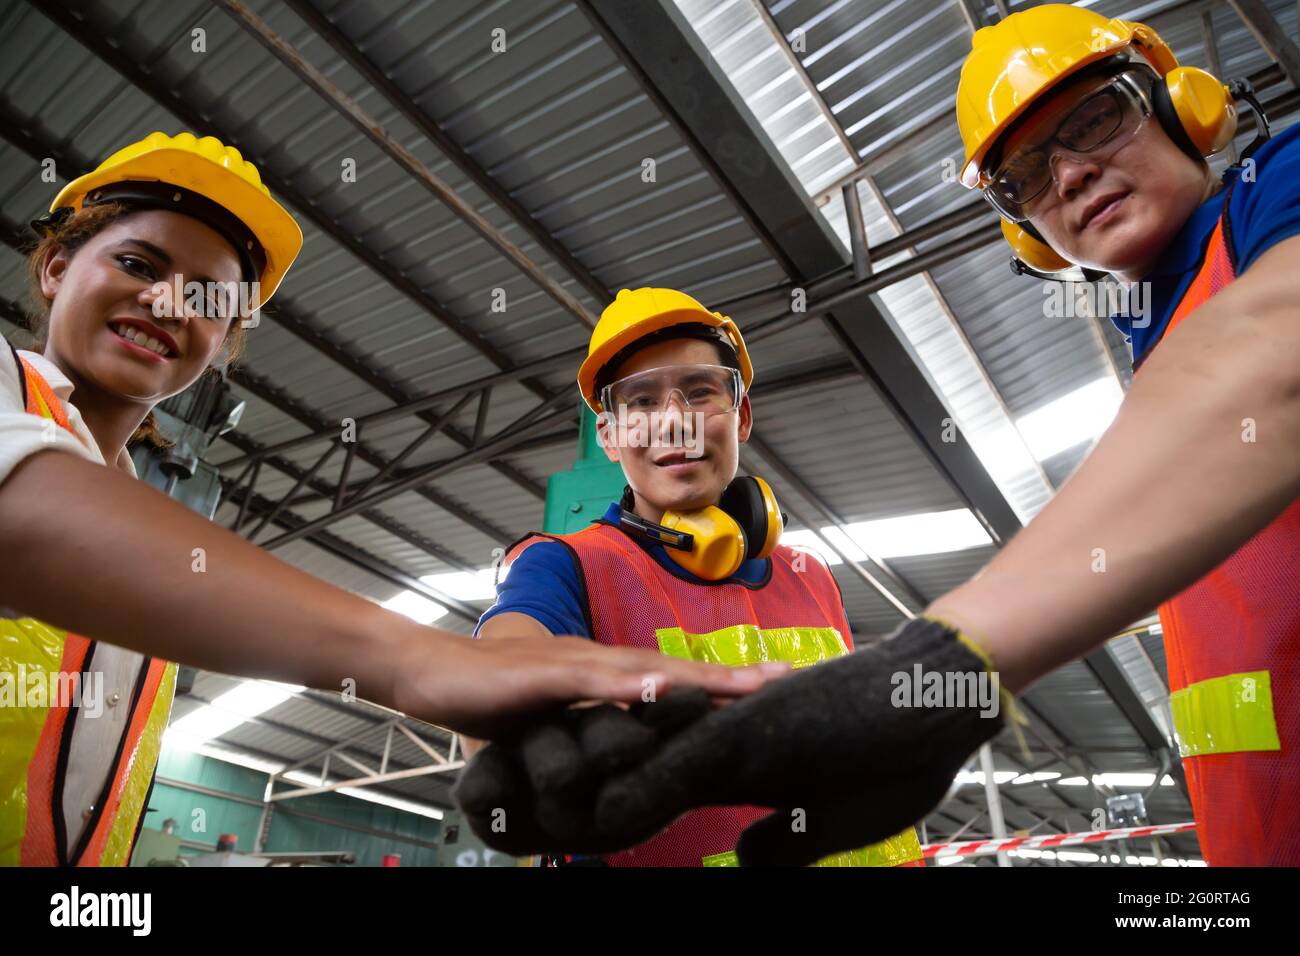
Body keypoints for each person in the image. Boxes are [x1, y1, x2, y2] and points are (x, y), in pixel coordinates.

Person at [456, 5, 1299, 866]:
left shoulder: (1283, 188)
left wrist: (946, 668)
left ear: (1182, 101)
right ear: (609, 435)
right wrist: (528, 714)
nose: (1074, 174)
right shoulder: (569, 565)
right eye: (1029, 175)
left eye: (1095, 119)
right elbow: (514, 642)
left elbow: (1275, 359)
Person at [0, 133, 776, 866]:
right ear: (57, 268)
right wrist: (419, 661)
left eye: (209, 296)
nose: (172, 305)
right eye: (138, 263)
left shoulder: (137, 515)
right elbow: (27, 510)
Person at [465, 286, 923, 867]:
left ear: (742, 416)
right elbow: (506, 655)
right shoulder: (566, 565)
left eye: (701, 392)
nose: (675, 423)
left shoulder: (811, 575)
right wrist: (519, 730)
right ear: (608, 436)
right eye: (641, 403)